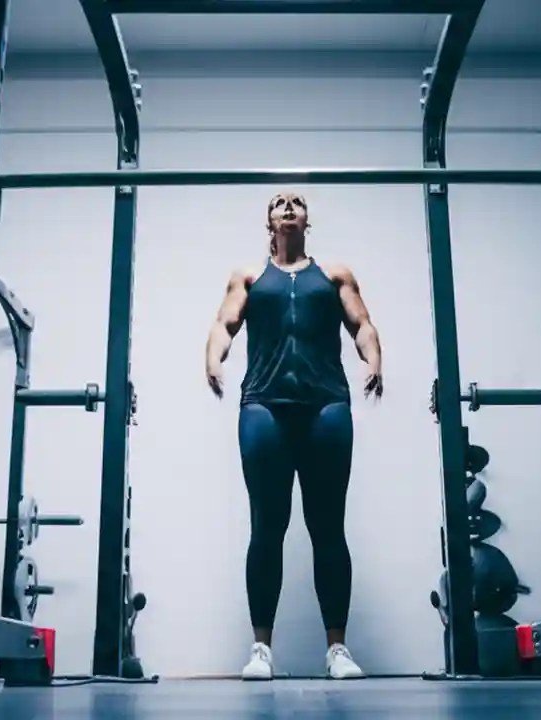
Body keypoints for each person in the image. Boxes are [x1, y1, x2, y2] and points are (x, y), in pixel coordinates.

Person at [204, 191, 384, 681]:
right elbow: (224, 323)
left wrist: (373, 360)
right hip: (264, 405)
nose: (287, 206)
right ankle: (261, 649)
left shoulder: (334, 276)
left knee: (328, 528)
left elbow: (362, 324)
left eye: (296, 201)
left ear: (307, 219)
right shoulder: (247, 277)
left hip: (325, 405)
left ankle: (338, 650)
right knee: (267, 527)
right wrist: (213, 360)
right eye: (278, 201)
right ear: (268, 219)